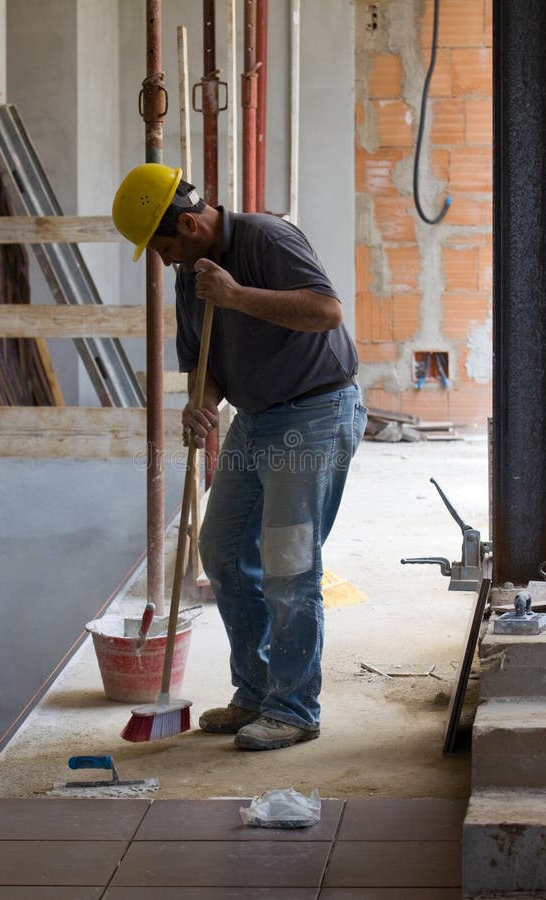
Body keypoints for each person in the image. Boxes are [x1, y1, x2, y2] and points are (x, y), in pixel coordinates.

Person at [113, 163, 367, 751]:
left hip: (316, 413)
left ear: (188, 223)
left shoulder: (266, 238)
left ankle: (295, 708)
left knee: (289, 566)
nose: (166, 260)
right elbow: (205, 367)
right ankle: (254, 692)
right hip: (255, 420)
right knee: (223, 550)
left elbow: (327, 312)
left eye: (164, 246)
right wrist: (198, 406)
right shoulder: (190, 277)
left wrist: (235, 296)